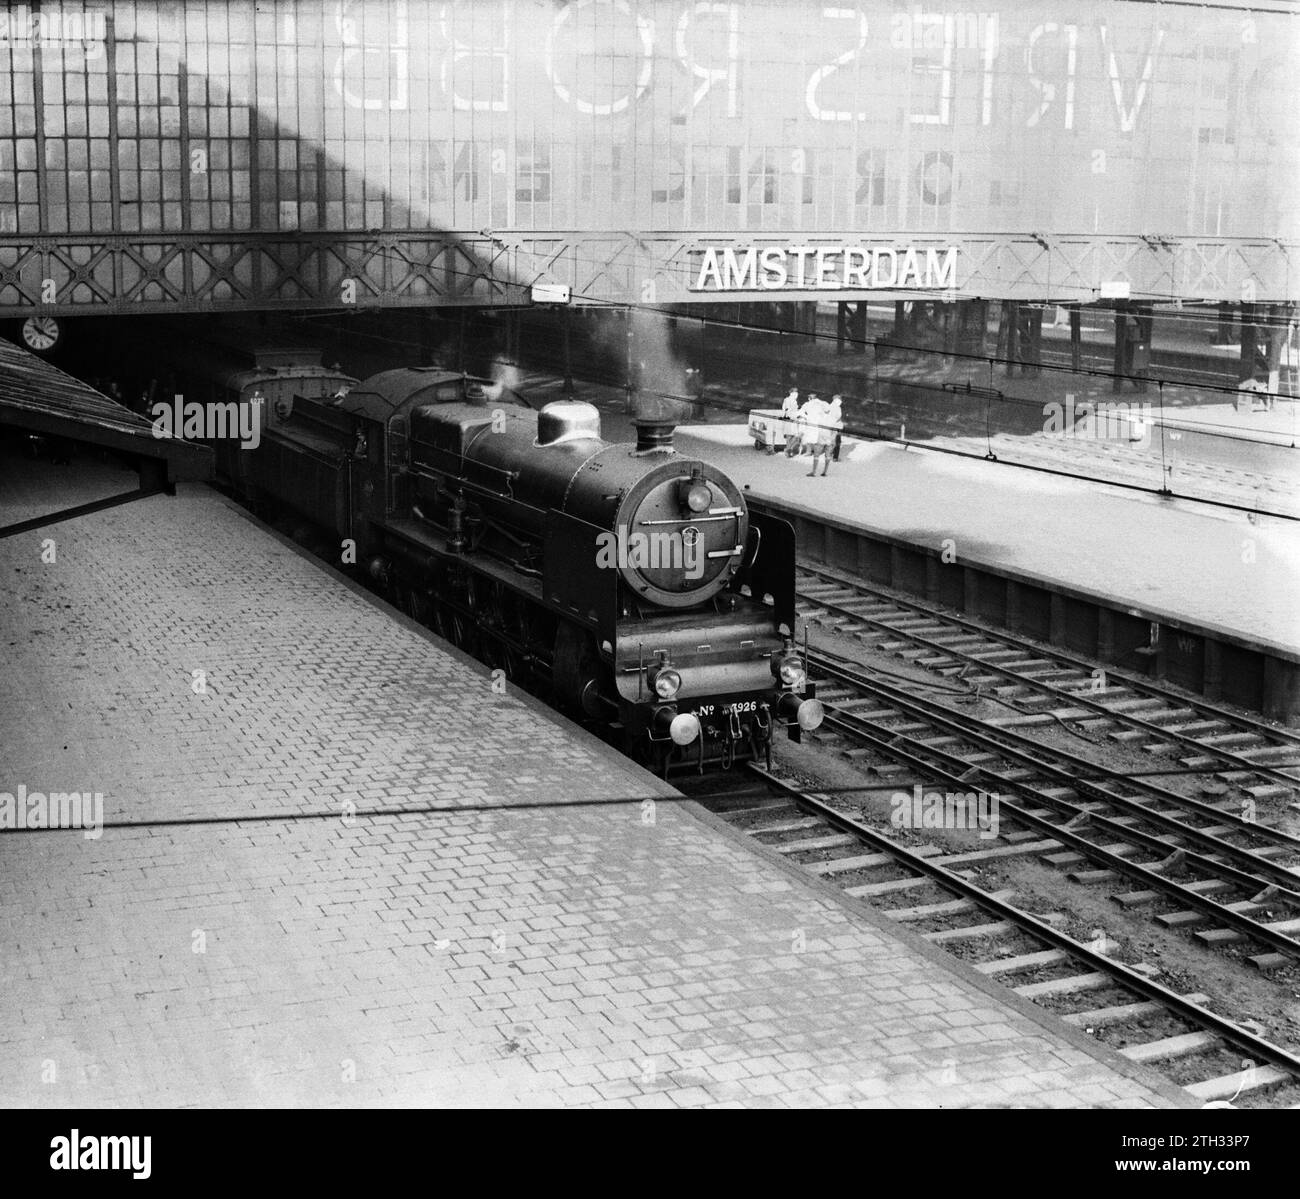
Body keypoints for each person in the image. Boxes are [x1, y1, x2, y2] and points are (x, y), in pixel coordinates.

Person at [802, 394, 833, 477]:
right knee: (828, 453)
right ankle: (825, 472)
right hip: (829, 434)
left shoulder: (818, 412)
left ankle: (814, 472)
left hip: (821, 433)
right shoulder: (827, 409)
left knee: (816, 453)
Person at [780, 388, 800, 456]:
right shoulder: (787, 400)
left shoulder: (794, 400)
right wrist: (793, 416)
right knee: (790, 435)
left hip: (793, 419)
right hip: (790, 419)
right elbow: (787, 410)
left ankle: (789, 449)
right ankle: (788, 450)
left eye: (797, 393)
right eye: (795, 393)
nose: (796, 395)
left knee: (794, 435)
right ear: (791, 393)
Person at [828, 394, 844, 462]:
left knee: (832, 441)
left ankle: (829, 455)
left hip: (831, 426)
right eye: (839, 400)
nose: (840, 401)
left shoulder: (830, 406)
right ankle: (835, 457)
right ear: (835, 400)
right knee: (837, 442)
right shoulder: (835, 407)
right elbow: (836, 418)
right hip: (835, 427)